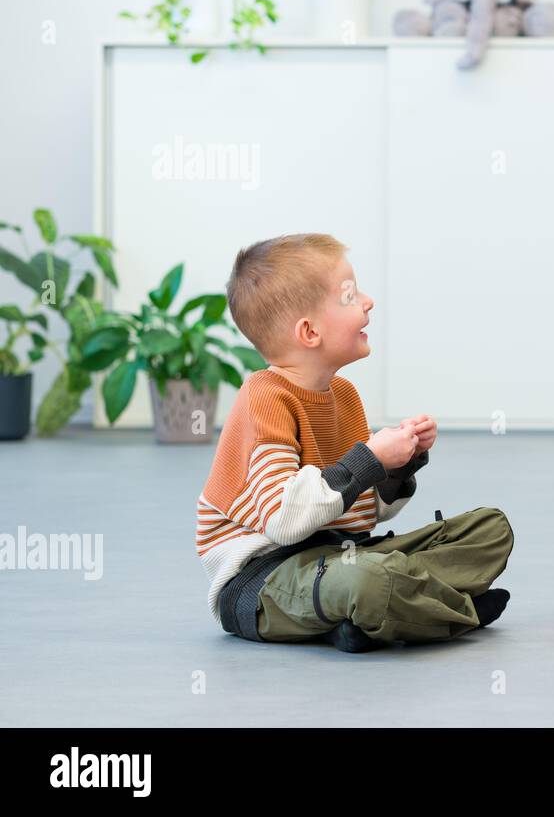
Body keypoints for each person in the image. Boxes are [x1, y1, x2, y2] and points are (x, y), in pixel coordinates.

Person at [196, 233, 513, 653]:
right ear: (309, 331)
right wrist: (369, 458)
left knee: (490, 529)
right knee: (369, 580)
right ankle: (450, 612)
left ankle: (386, 614)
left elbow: (362, 512)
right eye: (349, 296)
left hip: (342, 556)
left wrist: (399, 464)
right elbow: (284, 521)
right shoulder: (263, 399)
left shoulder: (343, 396)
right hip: (267, 581)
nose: (367, 302)